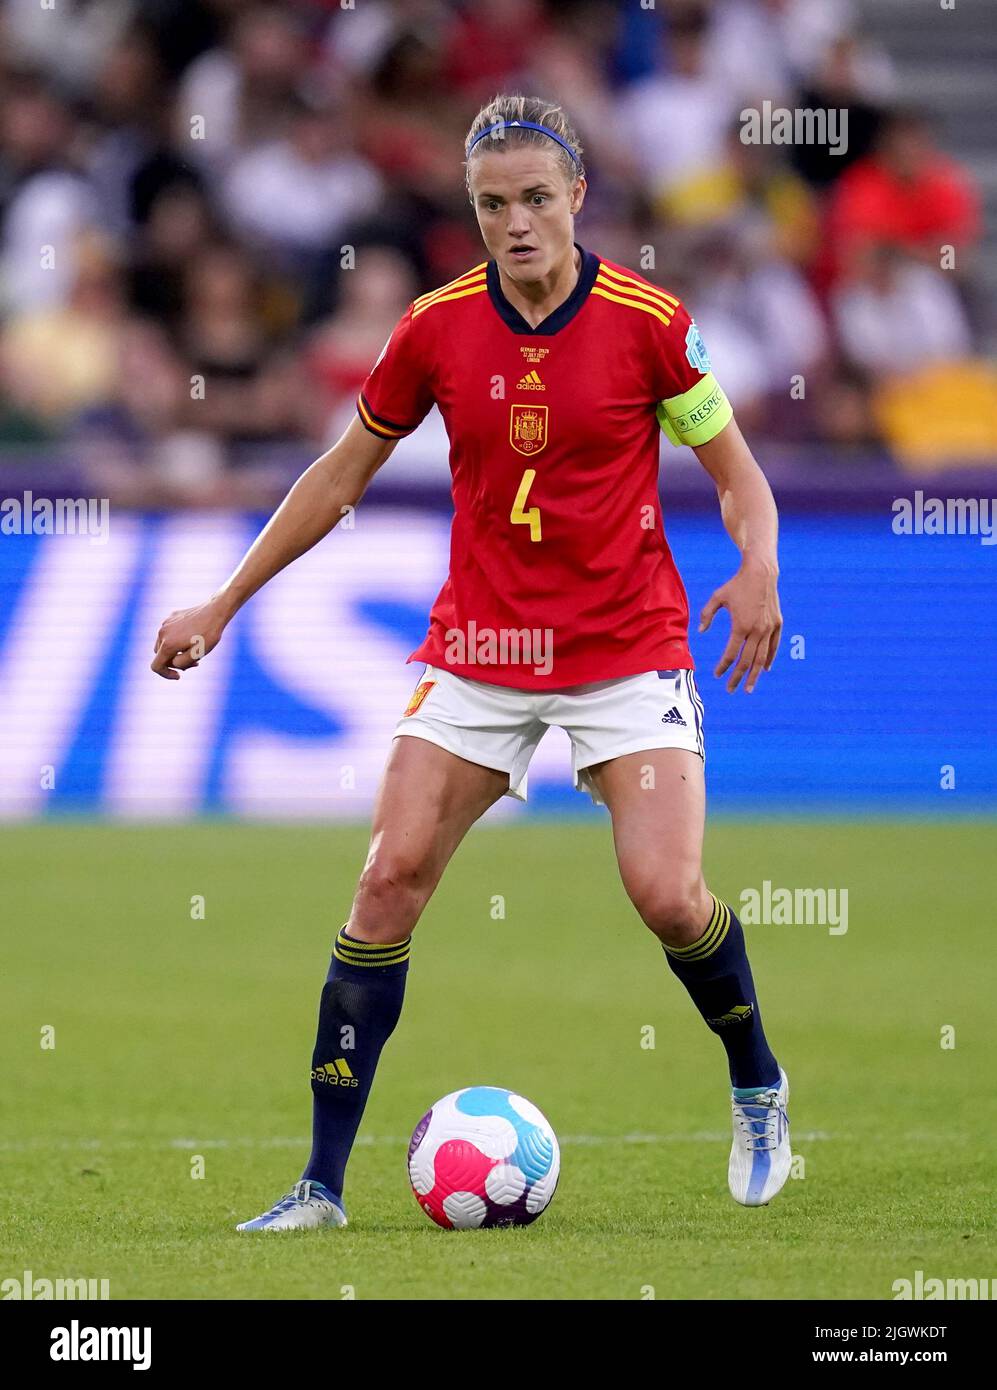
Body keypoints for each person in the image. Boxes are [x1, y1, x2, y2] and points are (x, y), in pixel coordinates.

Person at [152, 95, 791, 1228]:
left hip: (625, 646)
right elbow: (338, 476)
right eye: (493, 205)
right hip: (482, 649)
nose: (516, 223)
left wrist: (760, 571)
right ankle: (319, 1184)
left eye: (537, 199)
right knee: (386, 883)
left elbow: (738, 475)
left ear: (577, 197)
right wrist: (222, 600)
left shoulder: (648, 321)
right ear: (473, 209)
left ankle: (754, 1081)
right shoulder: (435, 327)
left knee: (665, 892)